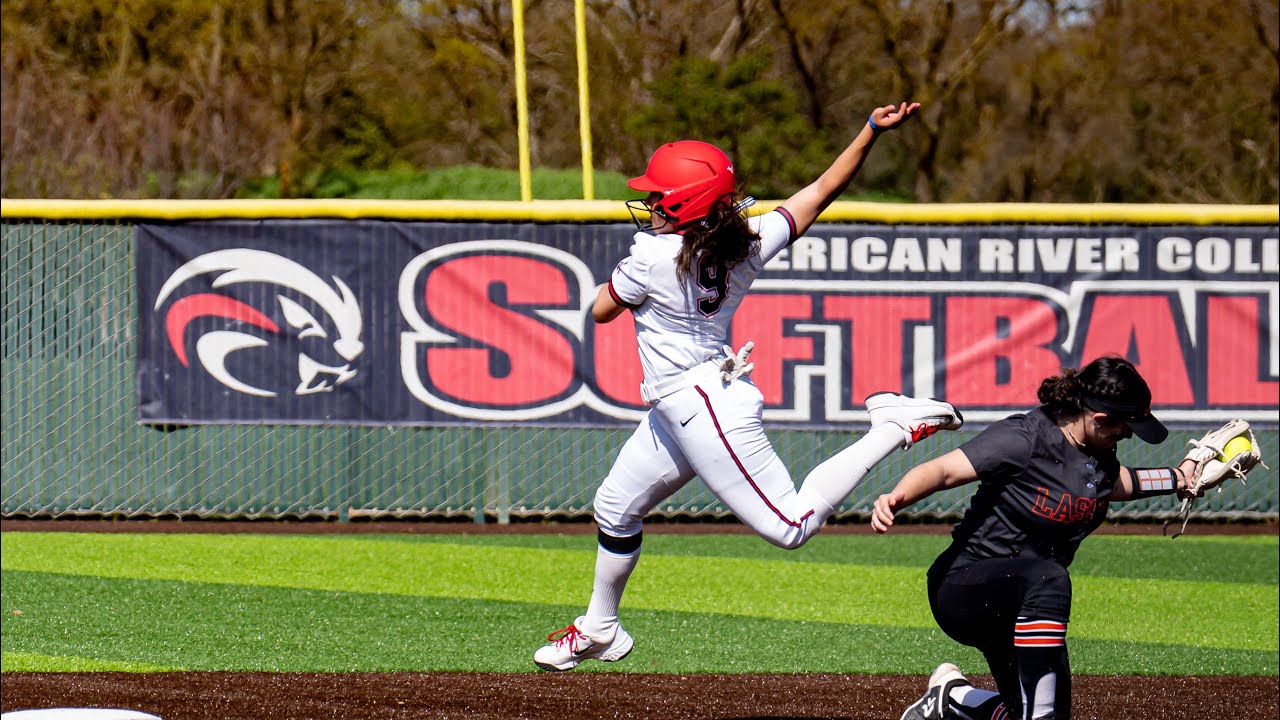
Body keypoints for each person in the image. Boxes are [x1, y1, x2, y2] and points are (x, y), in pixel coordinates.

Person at [533, 101, 965, 672]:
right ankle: (599, 628)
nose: (650, 204)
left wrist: (627, 286)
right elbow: (818, 193)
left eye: (661, 197)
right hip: (681, 402)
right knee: (614, 508)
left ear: (686, 205)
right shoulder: (749, 241)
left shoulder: (653, 255)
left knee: (791, 527)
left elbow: (600, 310)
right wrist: (868, 134)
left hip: (702, 404)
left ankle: (891, 426)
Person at [873, 356, 1197, 720]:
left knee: (1034, 709)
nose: (1127, 434)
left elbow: (1114, 484)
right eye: (1125, 426)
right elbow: (945, 470)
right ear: (1100, 418)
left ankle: (952, 700)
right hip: (966, 587)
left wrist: (1179, 477)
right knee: (1049, 578)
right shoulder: (1024, 437)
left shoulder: (1099, 450)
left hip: (1026, 608)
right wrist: (897, 497)